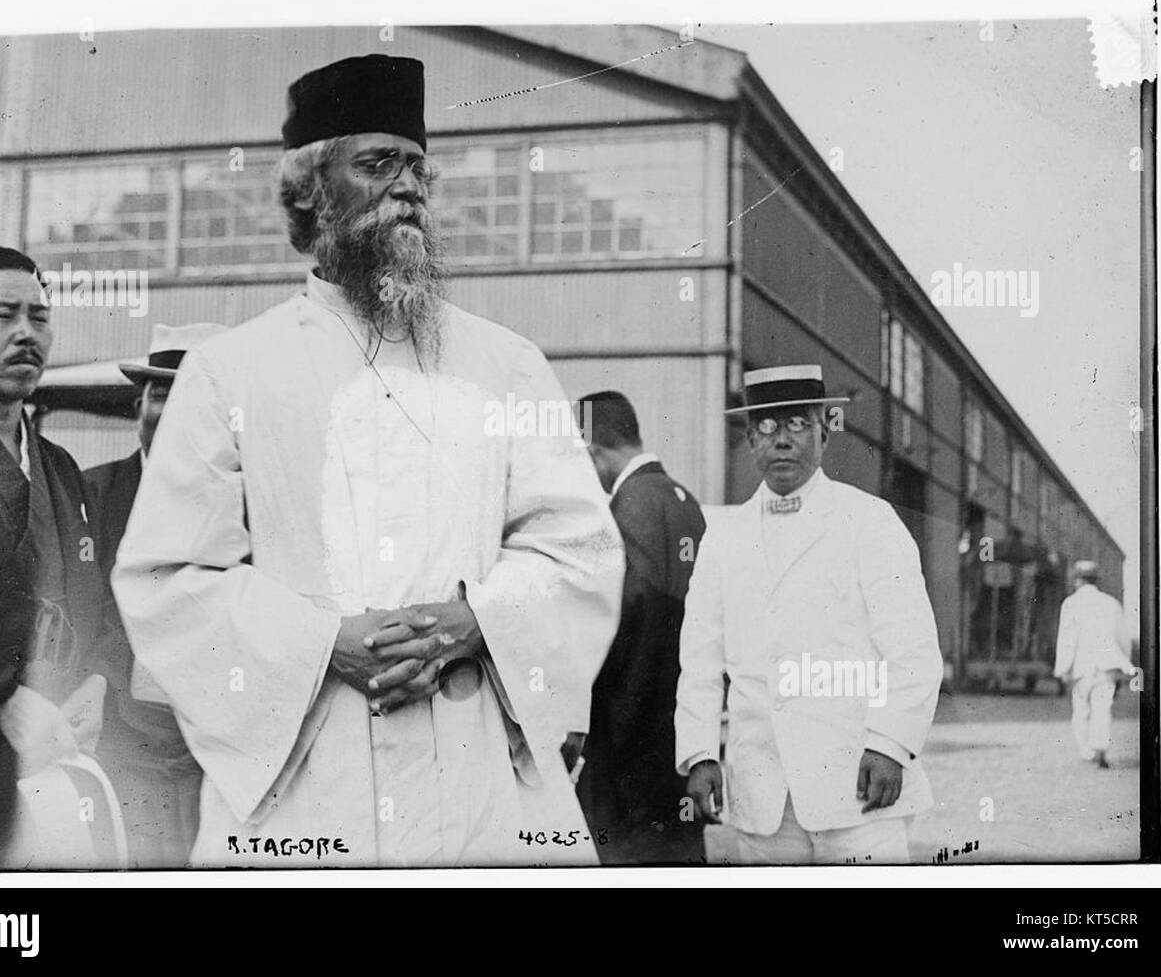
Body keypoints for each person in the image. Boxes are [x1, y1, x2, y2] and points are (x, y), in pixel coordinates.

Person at [111, 54, 623, 867]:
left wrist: (475, 623)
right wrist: (323, 642)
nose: (409, 185)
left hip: (482, 781)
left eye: (419, 167)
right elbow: (168, 576)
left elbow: (581, 551)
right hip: (309, 786)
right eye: (379, 163)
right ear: (311, 191)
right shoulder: (229, 373)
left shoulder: (507, 364)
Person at [675, 364, 944, 864]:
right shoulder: (723, 539)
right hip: (760, 793)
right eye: (768, 427)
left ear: (824, 432)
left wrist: (890, 743)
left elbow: (912, 651)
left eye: (797, 424)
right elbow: (700, 661)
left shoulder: (869, 522)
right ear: (751, 439)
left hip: (858, 786)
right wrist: (700, 752)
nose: (782, 441)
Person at [0, 246, 124, 869]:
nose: (25, 335)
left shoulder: (59, 467)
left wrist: (99, 680)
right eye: (2, 315)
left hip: (60, 748)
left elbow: (103, 600)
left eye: (38, 317)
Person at [85, 323, 226, 868]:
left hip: (218, 755)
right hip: (120, 745)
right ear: (138, 402)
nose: (174, 414)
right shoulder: (90, 494)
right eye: (163, 392)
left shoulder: (252, 510)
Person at [574, 390, 707, 864]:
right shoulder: (685, 501)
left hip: (629, 750)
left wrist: (592, 733)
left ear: (592, 451)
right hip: (679, 744)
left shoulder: (626, 511)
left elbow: (624, 629)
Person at [1052, 561, 1133, 769]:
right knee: (1102, 708)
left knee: (1081, 710)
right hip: (1107, 666)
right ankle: (1100, 748)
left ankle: (1086, 750)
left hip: (1081, 667)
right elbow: (1123, 638)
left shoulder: (1071, 604)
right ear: (1097, 580)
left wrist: (1063, 668)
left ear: (1077, 580)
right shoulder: (1111, 603)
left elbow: (1067, 638)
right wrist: (1122, 662)